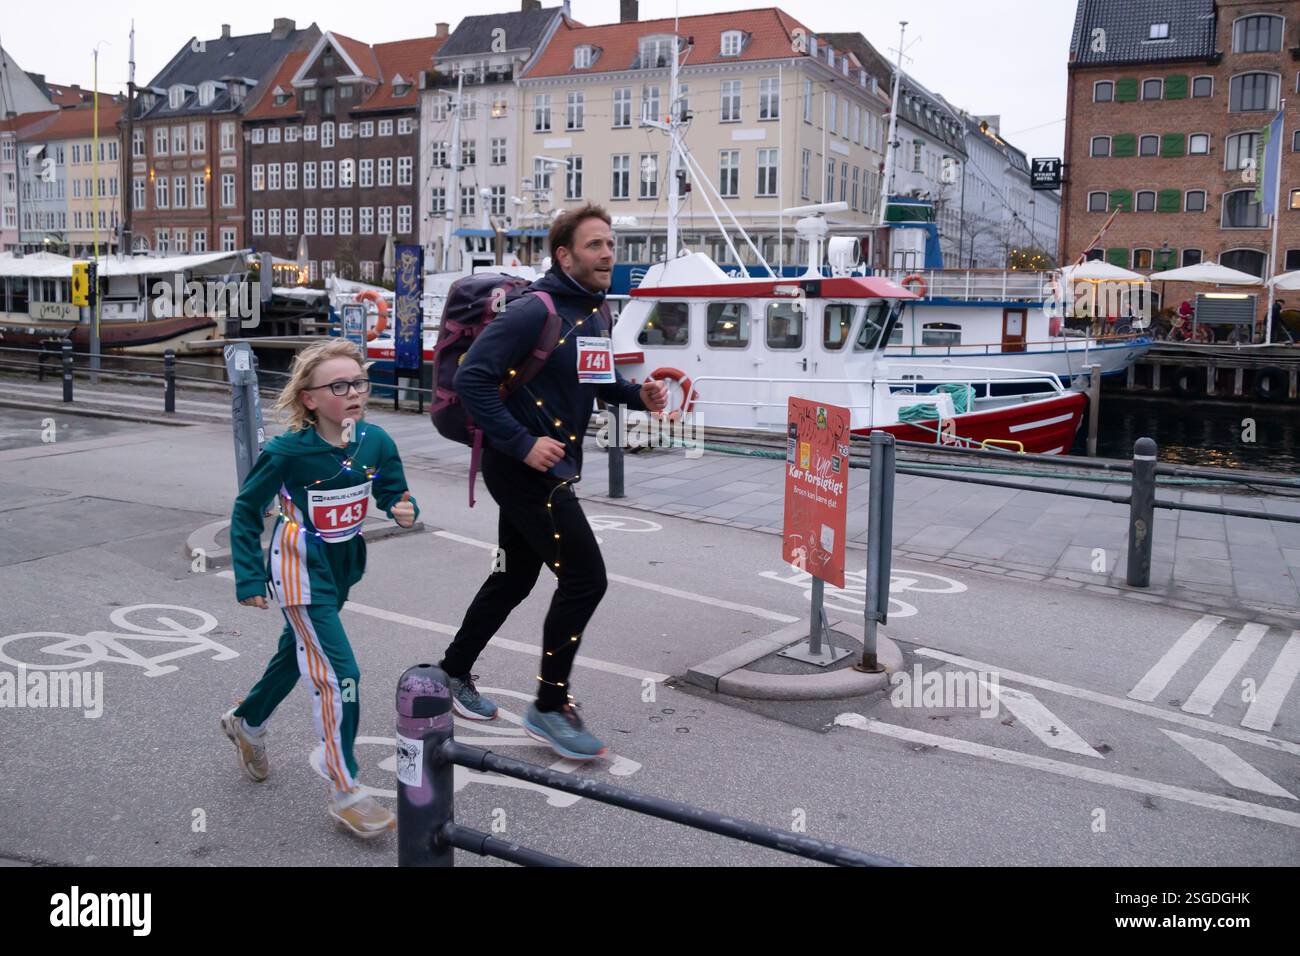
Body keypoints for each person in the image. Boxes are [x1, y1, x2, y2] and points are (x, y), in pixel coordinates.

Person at [440, 203, 668, 761]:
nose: (607, 254)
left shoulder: (595, 313)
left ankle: (450, 672)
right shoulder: (531, 311)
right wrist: (521, 442)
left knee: (514, 577)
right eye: (595, 245)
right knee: (586, 580)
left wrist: (636, 395)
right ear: (564, 254)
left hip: (549, 466)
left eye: (611, 244)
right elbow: (473, 377)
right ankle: (548, 703)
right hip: (520, 469)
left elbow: (595, 378)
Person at [221, 338, 419, 838]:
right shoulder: (288, 452)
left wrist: (402, 505)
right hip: (300, 567)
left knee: (297, 655)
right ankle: (346, 788)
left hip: (343, 564)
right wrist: (248, 575)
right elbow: (247, 510)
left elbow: (390, 484)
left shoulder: (373, 440)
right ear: (309, 398)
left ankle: (246, 722)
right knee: (339, 672)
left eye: (358, 383)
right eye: (338, 385)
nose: (353, 392)